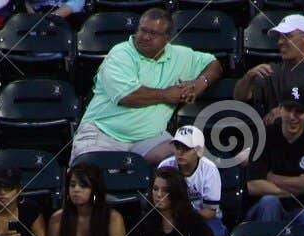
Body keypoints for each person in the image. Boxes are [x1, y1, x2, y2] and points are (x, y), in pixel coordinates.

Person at [70, 7, 221, 164]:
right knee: (89, 172)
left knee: (185, 160)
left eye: (153, 33)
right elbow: (128, 97)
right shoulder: (121, 53)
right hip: (104, 133)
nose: (145, 37)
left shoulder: (181, 55)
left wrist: (200, 83)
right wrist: (167, 95)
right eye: (143, 30)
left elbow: (214, 64)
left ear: (167, 38)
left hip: (150, 138)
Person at [233, 13, 304, 135]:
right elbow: (240, 97)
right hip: (282, 138)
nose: (280, 42)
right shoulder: (272, 70)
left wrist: (286, 112)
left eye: (287, 36)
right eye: (279, 37)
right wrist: (249, 76)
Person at [244, 88, 304, 227]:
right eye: (288, 109)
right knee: (270, 202)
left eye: (299, 111)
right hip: (263, 209)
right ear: (280, 109)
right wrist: (298, 187)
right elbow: (254, 186)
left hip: (302, 209)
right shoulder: (264, 135)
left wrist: (272, 178)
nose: (292, 116)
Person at [123, 166, 220, 236]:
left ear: (177, 192)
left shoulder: (194, 222)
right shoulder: (142, 224)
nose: (159, 194)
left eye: (165, 190)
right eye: (155, 189)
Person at [158, 125, 226, 236]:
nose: (180, 152)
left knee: (212, 234)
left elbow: (210, 211)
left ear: (199, 151)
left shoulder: (210, 170)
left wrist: (185, 220)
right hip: (171, 216)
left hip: (204, 219)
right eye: (177, 147)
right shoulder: (165, 166)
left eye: (186, 148)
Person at [48, 163, 127, 236]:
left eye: (83, 185)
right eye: (72, 185)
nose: (76, 190)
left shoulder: (113, 218)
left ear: (95, 189)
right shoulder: (57, 218)